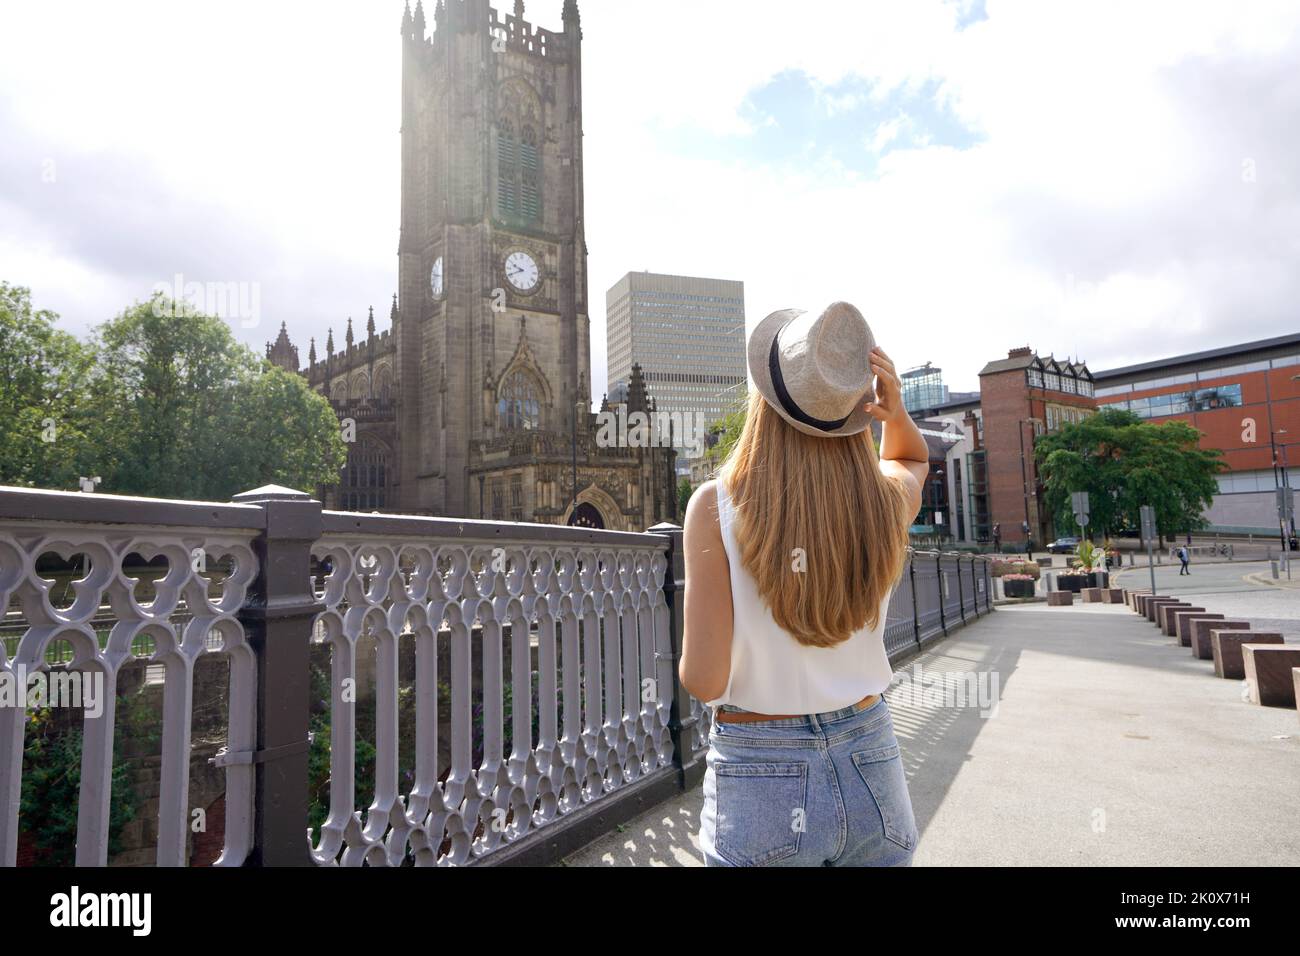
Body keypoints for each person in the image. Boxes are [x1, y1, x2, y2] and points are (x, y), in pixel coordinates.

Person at [680, 301, 928, 867]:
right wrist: (897, 415)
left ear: (765, 403)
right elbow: (912, 460)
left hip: (761, 772)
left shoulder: (714, 508)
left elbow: (704, 677)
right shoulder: (885, 504)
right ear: (856, 412)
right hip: (873, 760)